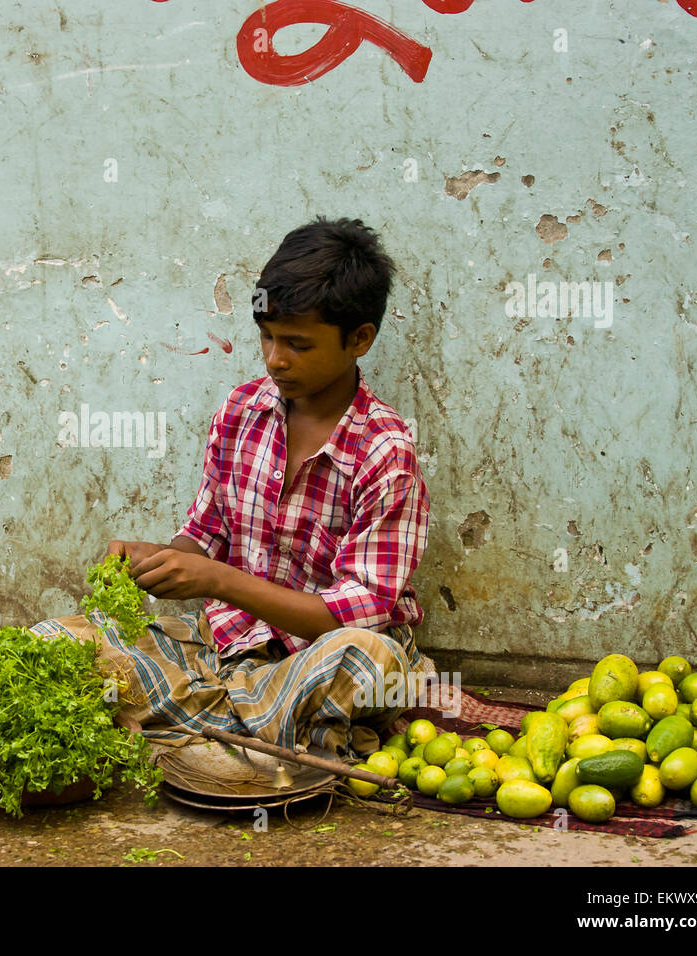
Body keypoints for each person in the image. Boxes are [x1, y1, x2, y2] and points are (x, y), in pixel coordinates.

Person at [30, 216, 434, 759]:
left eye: (297, 344)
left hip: (319, 655)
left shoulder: (386, 453)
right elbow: (203, 537)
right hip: (232, 648)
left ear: (359, 340)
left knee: (364, 661)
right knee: (54, 643)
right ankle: (255, 725)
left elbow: (355, 613)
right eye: (266, 337)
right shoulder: (241, 412)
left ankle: (192, 716)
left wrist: (217, 581)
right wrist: (154, 562)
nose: (275, 359)